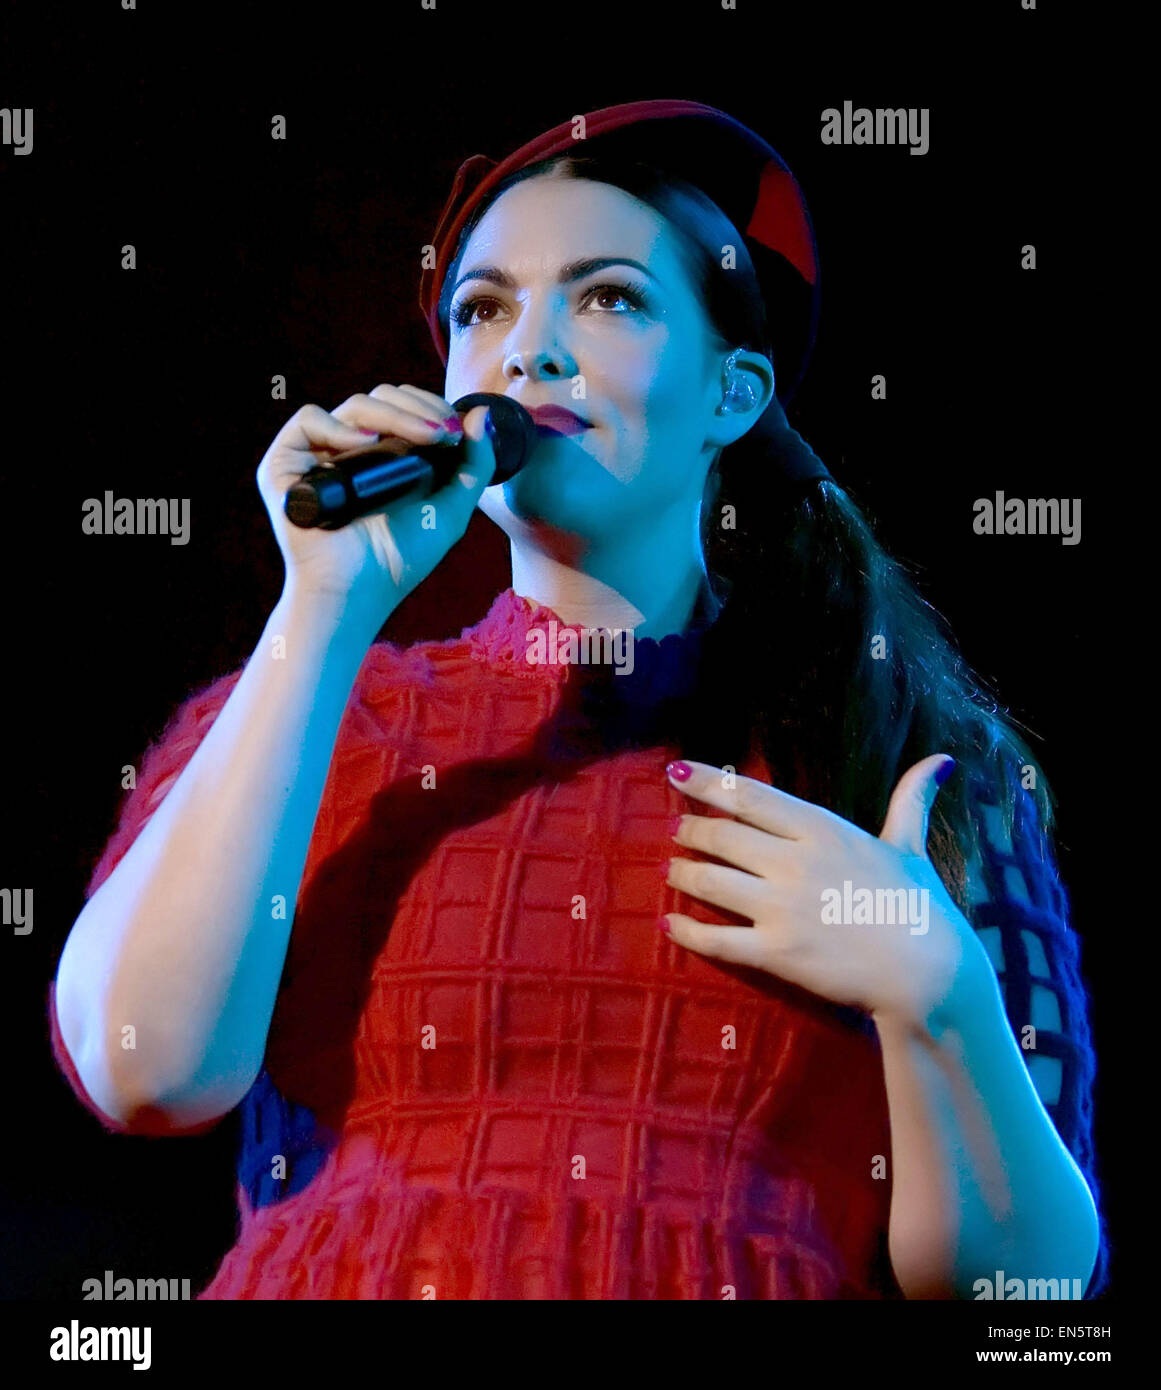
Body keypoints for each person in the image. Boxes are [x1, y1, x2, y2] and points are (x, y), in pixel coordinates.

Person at [46, 100, 1106, 1300]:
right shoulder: (312, 713)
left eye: (608, 299)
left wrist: (942, 997)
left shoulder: (901, 760)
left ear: (734, 394)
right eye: (482, 308)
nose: (526, 349)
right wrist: (322, 612)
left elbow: (1026, 1298)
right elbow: (143, 1068)